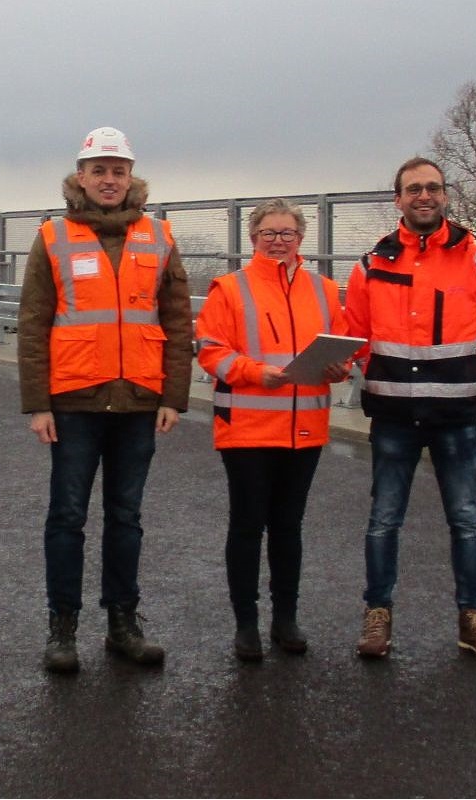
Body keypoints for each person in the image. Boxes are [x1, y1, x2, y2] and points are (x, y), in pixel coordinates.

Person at [17, 126, 194, 674]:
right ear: (81, 177)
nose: (110, 180)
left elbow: (178, 321)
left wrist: (174, 396)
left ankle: (123, 622)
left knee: (126, 517)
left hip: (139, 401)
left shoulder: (159, 236)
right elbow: (33, 323)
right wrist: (38, 403)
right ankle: (62, 628)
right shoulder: (52, 237)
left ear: (131, 177)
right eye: (100, 171)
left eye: (119, 170)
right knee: (67, 516)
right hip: (74, 401)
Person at [345, 156, 476, 662]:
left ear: (445, 196)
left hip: (457, 416)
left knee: (466, 521)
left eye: (433, 188)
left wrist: (465, 382)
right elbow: (354, 334)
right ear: (398, 199)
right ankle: (378, 616)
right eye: (414, 188)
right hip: (394, 414)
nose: (424, 196)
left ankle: (473, 619)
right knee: (383, 520)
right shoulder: (372, 264)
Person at [195, 199, 351, 662]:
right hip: (247, 427)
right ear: (253, 238)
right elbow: (210, 350)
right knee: (247, 526)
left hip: (303, 429)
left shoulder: (324, 290)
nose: (278, 241)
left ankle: (286, 619)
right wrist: (252, 372)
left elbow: (341, 345)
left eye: (287, 233)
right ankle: (246, 624)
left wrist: (341, 367)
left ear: (301, 238)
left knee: (288, 527)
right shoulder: (230, 288)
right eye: (269, 233)